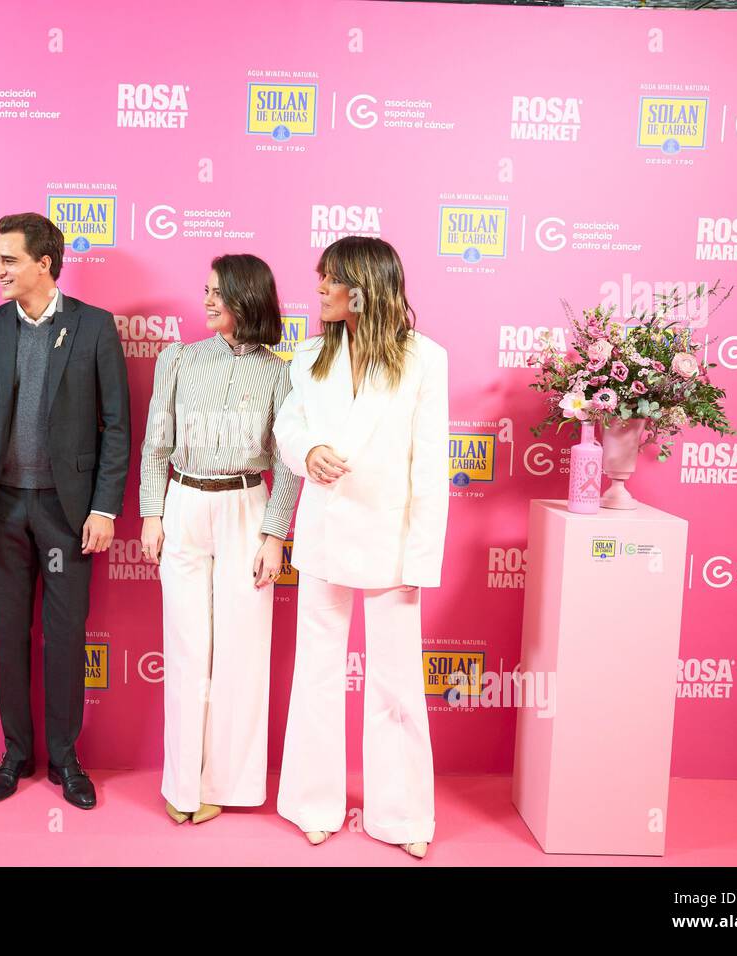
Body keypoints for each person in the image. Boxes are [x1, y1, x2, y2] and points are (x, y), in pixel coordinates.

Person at [273, 235, 449, 859]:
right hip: (323, 535)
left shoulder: (425, 360)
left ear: (364, 287)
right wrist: (307, 451)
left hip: (391, 541)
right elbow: (288, 424)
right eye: (319, 277)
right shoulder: (310, 354)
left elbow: (430, 466)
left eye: (330, 279)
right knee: (316, 673)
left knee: (397, 681)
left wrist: (422, 557)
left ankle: (401, 816)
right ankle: (311, 803)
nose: (318, 288)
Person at [0, 212, 130, 810]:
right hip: (1, 513)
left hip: (68, 514)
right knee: (8, 635)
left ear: (43, 264)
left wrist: (104, 507)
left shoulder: (95, 327)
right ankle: (14, 754)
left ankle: (67, 757)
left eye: (9, 260)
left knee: (65, 637)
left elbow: (115, 427)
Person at [139, 254, 298, 826]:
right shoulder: (178, 359)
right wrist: (152, 514)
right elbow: (156, 443)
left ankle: (226, 784)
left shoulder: (281, 373)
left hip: (246, 507)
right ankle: (182, 784)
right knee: (185, 650)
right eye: (204, 291)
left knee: (243, 652)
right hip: (182, 503)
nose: (207, 301)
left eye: (218, 293)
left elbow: (289, 463)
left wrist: (275, 534)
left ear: (247, 299)